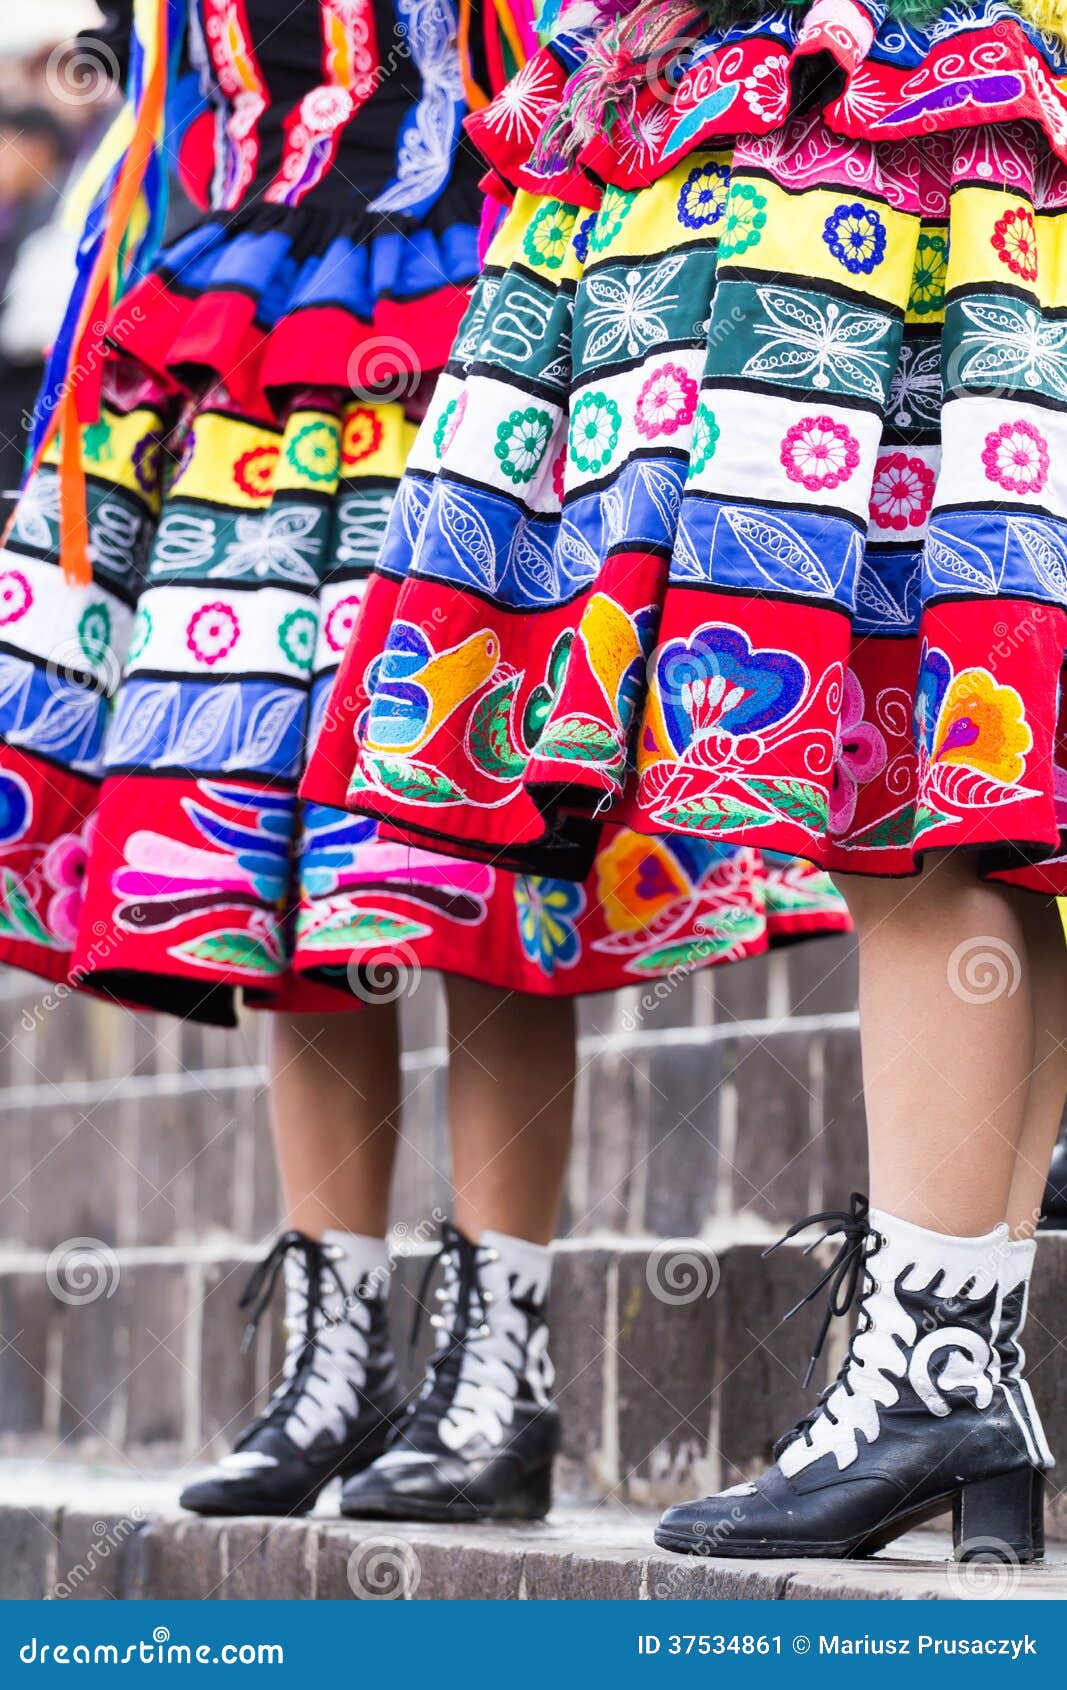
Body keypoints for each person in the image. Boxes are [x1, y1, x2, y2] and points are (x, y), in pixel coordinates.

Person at [0, 0, 849, 1523]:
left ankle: (500, 1361)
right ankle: (343, 1352)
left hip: (482, 303)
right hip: (247, 324)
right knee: (271, 851)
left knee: (465, 854)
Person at [311, 0, 1067, 1559]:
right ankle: (959, 1365)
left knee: (902, 780)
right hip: (936, 124)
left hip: (850, 126)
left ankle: (938, 1381)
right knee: (962, 788)